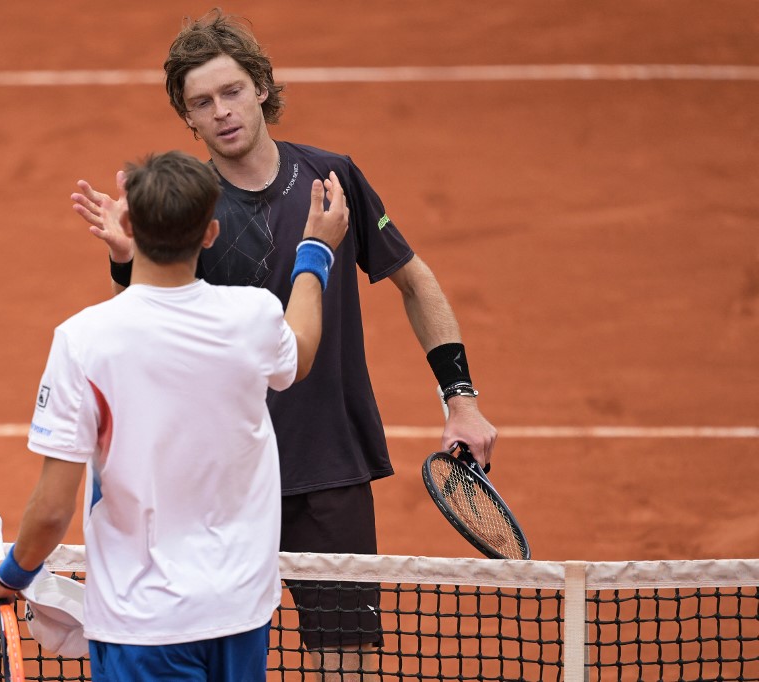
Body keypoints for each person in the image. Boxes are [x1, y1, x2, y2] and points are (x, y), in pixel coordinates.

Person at [72, 10, 498, 678]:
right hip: (218, 491)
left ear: (264, 87)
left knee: (345, 665)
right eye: (202, 103)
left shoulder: (331, 179)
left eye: (233, 92)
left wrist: (461, 400)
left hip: (328, 470)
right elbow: (149, 329)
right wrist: (129, 261)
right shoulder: (188, 204)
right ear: (187, 119)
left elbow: (414, 282)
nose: (222, 113)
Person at [0, 150, 350, 682]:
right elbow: (302, 348)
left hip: (143, 623)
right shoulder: (253, 317)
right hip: (240, 611)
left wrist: (14, 574)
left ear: (128, 226)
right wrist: (315, 251)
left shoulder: (83, 339)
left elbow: (51, 511)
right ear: (210, 234)